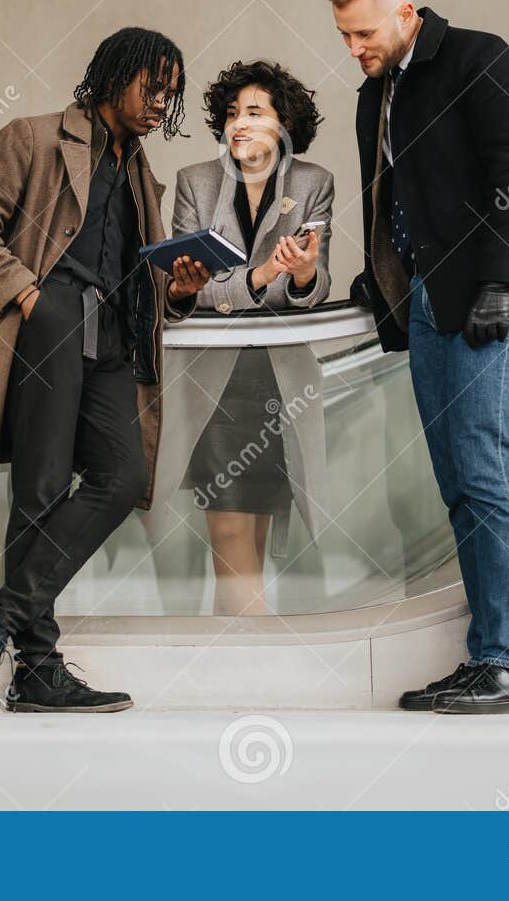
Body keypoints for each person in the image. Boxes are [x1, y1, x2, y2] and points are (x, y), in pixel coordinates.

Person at [0, 27, 213, 714]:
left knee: (122, 478)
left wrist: (178, 289)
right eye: (151, 87)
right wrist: (30, 296)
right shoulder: (31, 139)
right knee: (42, 489)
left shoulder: (146, 177)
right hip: (49, 324)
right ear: (113, 75)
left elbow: (140, 280)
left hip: (116, 344)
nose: (159, 105)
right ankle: (37, 669)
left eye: (169, 95)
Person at [330, 0, 509, 714]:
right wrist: (380, 279)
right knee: (457, 481)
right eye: (343, 35)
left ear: (405, 13)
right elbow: (393, 197)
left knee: (483, 465)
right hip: (431, 302)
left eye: (363, 32)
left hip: (493, 297)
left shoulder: (478, 56)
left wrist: (500, 281)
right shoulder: (377, 96)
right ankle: (485, 659)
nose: (354, 47)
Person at [158, 60, 333, 615]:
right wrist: (258, 279)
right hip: (212, 380)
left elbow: (314, 285)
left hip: (282, 382)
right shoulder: (195, 182)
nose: (239, 124)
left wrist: (301, 274)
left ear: (283, 124)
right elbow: (183, 285)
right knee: (230, 533)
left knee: (253, 531)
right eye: (232, 113)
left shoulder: (313, 183)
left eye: (255, 113)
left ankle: (240, 657)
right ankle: (245, 660)